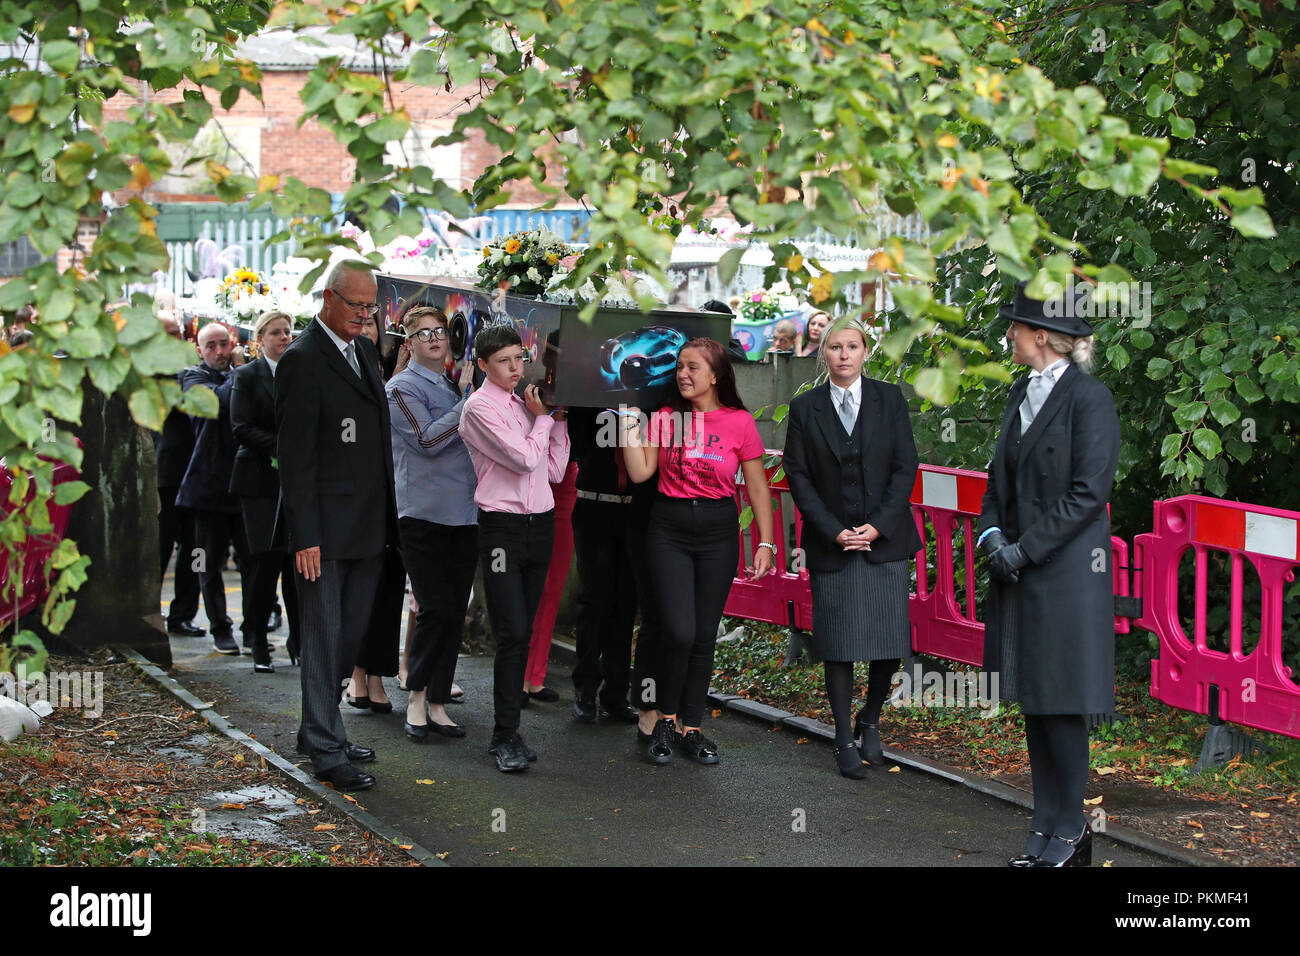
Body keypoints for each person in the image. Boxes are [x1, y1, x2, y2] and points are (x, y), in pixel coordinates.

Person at [978, 281, 1119, 868]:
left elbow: (1089, 493)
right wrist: (991, 535)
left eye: (1015, 325)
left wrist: (1024, 550)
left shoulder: (1090, 399)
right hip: (1020, 570)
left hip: (1064, 576)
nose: (1008, 334)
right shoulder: (1021, 392)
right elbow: (997, 476)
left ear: (1041, 335)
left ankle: (1072, 829)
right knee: (1035, 702)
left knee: (1062, 703)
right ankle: (1044, 824)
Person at [622, 337, 775, 765]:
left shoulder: (740, 422)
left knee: (704, 636)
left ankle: (692, 726)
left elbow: (758, 487)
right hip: (668, 529)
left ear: (715, 375)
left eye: (692, 368)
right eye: (679, 368)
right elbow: (641, 472)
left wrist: (765, 541)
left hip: (717, 532)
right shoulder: (667, 417)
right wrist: (628, 427)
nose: (683, 375)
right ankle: (663, 721)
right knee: (679, 631)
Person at [275, 260, 398, 792]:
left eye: (371, 306)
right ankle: (326, 750)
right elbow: (295, 457)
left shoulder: (366, 351)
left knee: (347, 640)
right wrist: (305, 535)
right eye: (356, 306)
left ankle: (317, 728)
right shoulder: (302, 360)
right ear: (328, 298)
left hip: (368, 525)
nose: (365, 315)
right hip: (324, 531)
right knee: (324, 640)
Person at [783, 316, 921, 779]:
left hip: (885, 542)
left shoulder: (889, 400)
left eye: (852, 346)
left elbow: (906, 467)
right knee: (838, 643)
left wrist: (877, 527)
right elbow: (798, 476)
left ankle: (871, 720)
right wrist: (832, 531)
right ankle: (843, 736)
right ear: (823, 353)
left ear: (866, 352)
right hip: (832, 543)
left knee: (887, 641)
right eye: (835, 347)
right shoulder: (805, 409)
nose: (843, 355)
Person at [458, 323, 570, 772]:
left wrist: (556, 422)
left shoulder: (530, 406)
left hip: (539, 524)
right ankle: (505, 734)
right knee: (513, 631)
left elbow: (555, 470)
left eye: (519, 359)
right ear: (483, 364)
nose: (514, 368)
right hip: (502, 527)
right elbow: (524, 459)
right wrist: (543, 419)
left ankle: (509, 729)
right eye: (503, 361)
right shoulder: (477, 409)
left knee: (526, 624)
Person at [385, 305, 477, 742]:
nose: (435, 338)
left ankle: (438, 700)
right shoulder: (400, 388)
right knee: (435, 607)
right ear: (408, 344)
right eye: (423, 334)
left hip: (465, 512)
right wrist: (468, 405)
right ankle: (417, 695)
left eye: (440, 331)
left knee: (454, 610)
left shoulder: (449, 382)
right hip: (422, 515)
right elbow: (427, 440)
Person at [567, 408, 651, 723]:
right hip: (594, 504)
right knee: (593, 600)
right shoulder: (590, 402)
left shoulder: (650, 402)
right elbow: (577, 447)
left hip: (634, 510)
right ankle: (585, 690)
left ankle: (616, 693)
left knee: (626, 604)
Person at [177, 322, 254, 655]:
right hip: (209, 487)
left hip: (245, 485)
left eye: (225, 344)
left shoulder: (243, 372)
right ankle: (220, 627)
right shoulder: (192, 378)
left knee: (253, 561)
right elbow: (217, 404)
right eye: (212, 346)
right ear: (200, 350)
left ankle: (253, 629)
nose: (221, 352)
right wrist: (242, 370)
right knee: (207, 563)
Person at [230, 310, 300, 673]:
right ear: (260, 340)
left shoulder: (298, 374)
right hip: (258, 480)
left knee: (295, 562)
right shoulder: (246, 376)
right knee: (263, 561)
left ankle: (298, 640)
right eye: (276, 333)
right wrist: (279, 446)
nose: (284, 337)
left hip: (294, 481)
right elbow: (240, 427)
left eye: (288, 331)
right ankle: (256, 639)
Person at [343, 309, 404, 714]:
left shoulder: (386, 366)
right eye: (360, 322)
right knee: (360, 591)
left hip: (395, 495)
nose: (367, 329)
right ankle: (357, 676)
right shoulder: (348, 367)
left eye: (372, 323)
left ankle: (377, 674)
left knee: (388, 591)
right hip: (358, 496)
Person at [155, 313, 203, 639]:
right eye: (169, 335)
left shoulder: (190, 368)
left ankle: (183, 613)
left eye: (179, 334)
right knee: (158, 549)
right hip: (165, 474)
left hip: (195, 471)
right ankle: (146, 609)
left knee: (194, 550)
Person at [521, 460, 578, 705]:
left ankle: (536, 677)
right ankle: (519, 676)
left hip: (567, 482)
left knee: (553, 588)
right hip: (530, 480)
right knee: (531, 587)